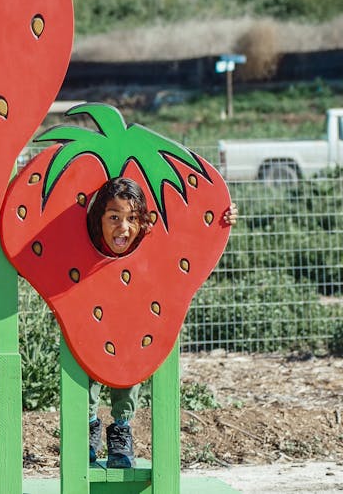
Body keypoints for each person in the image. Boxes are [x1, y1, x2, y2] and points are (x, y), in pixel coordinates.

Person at [83, 177, 237, 468]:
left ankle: (121, 429)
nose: (123, 228)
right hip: (89, 318)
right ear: (99, 217)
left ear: (143, 222)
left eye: (131, 219)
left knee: (128, 370)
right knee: (85, 368)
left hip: (132, 321)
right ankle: (89, 426)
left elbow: (187, 234)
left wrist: (220, 218)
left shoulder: (148, 242)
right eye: (113, 217)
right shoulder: (86, 242)